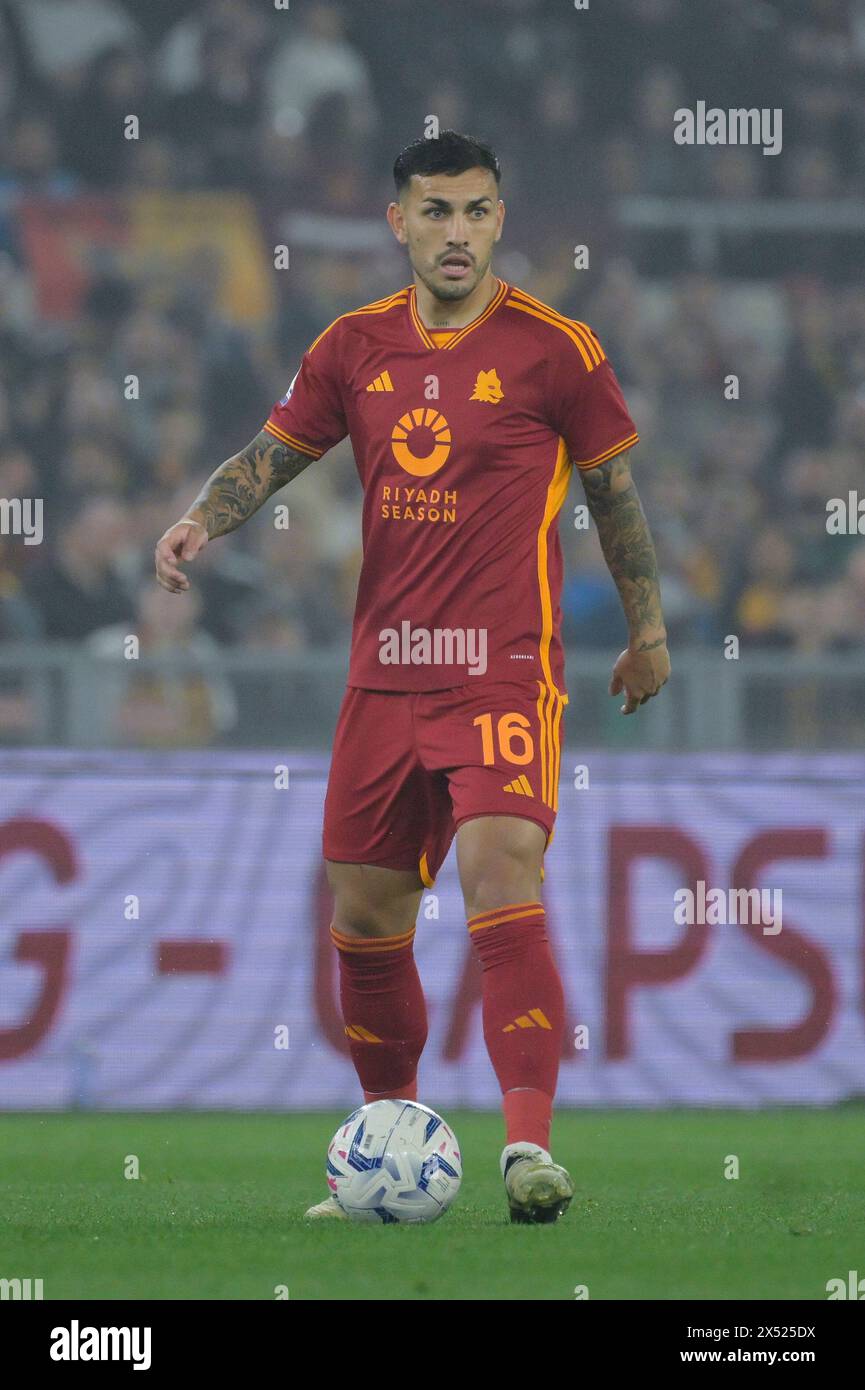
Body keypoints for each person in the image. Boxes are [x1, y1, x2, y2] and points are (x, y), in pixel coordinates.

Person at [155, 131, 670, 1223]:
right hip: (381, 679)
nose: (456, 233)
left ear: (499, 219)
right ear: (397, 222)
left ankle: (526, 1151)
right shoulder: (351, 347)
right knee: (366, 914)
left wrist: (650, 630)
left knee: (501, 872)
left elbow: (614, 498)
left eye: (476, 211)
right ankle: (387, 1140)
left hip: (502, 673)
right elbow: (274, 451)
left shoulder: (556, 349)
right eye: (434, 212)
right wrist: (203, 518)